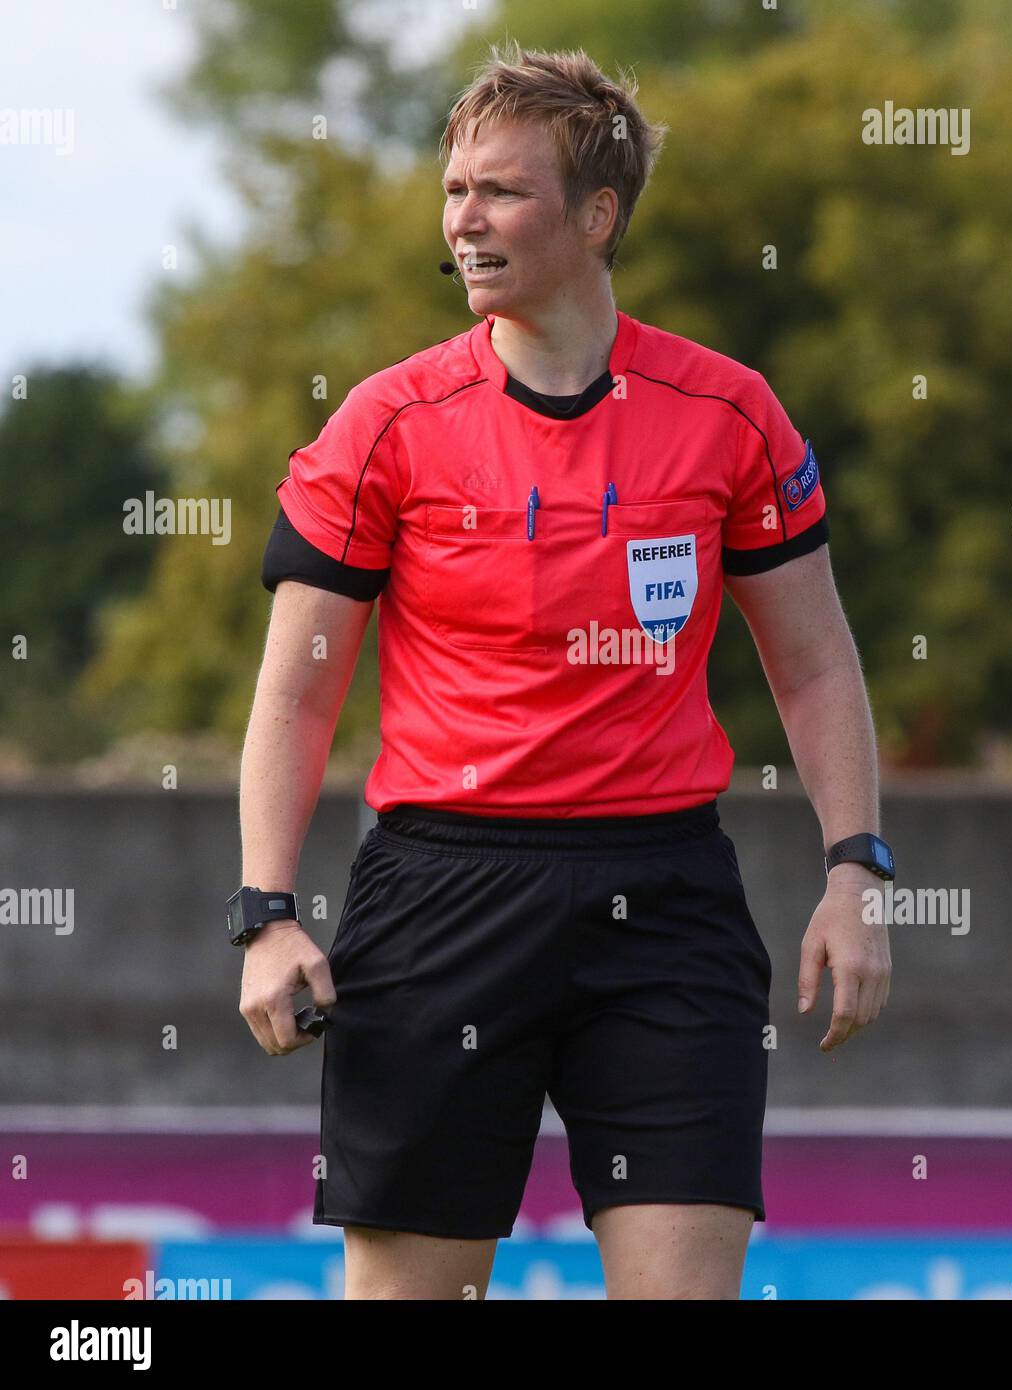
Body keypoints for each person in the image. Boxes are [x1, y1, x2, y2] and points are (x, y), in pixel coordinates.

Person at [236, 41, 892, 1300]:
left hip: (667, 901)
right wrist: (263, 914)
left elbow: (813, 665)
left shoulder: (728, 411)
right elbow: (297, 691)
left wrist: (855, 873)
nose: (463, 219)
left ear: (596, 215)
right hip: (441, 899)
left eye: (500, 190)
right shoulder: (381, 424)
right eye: (453, 190)